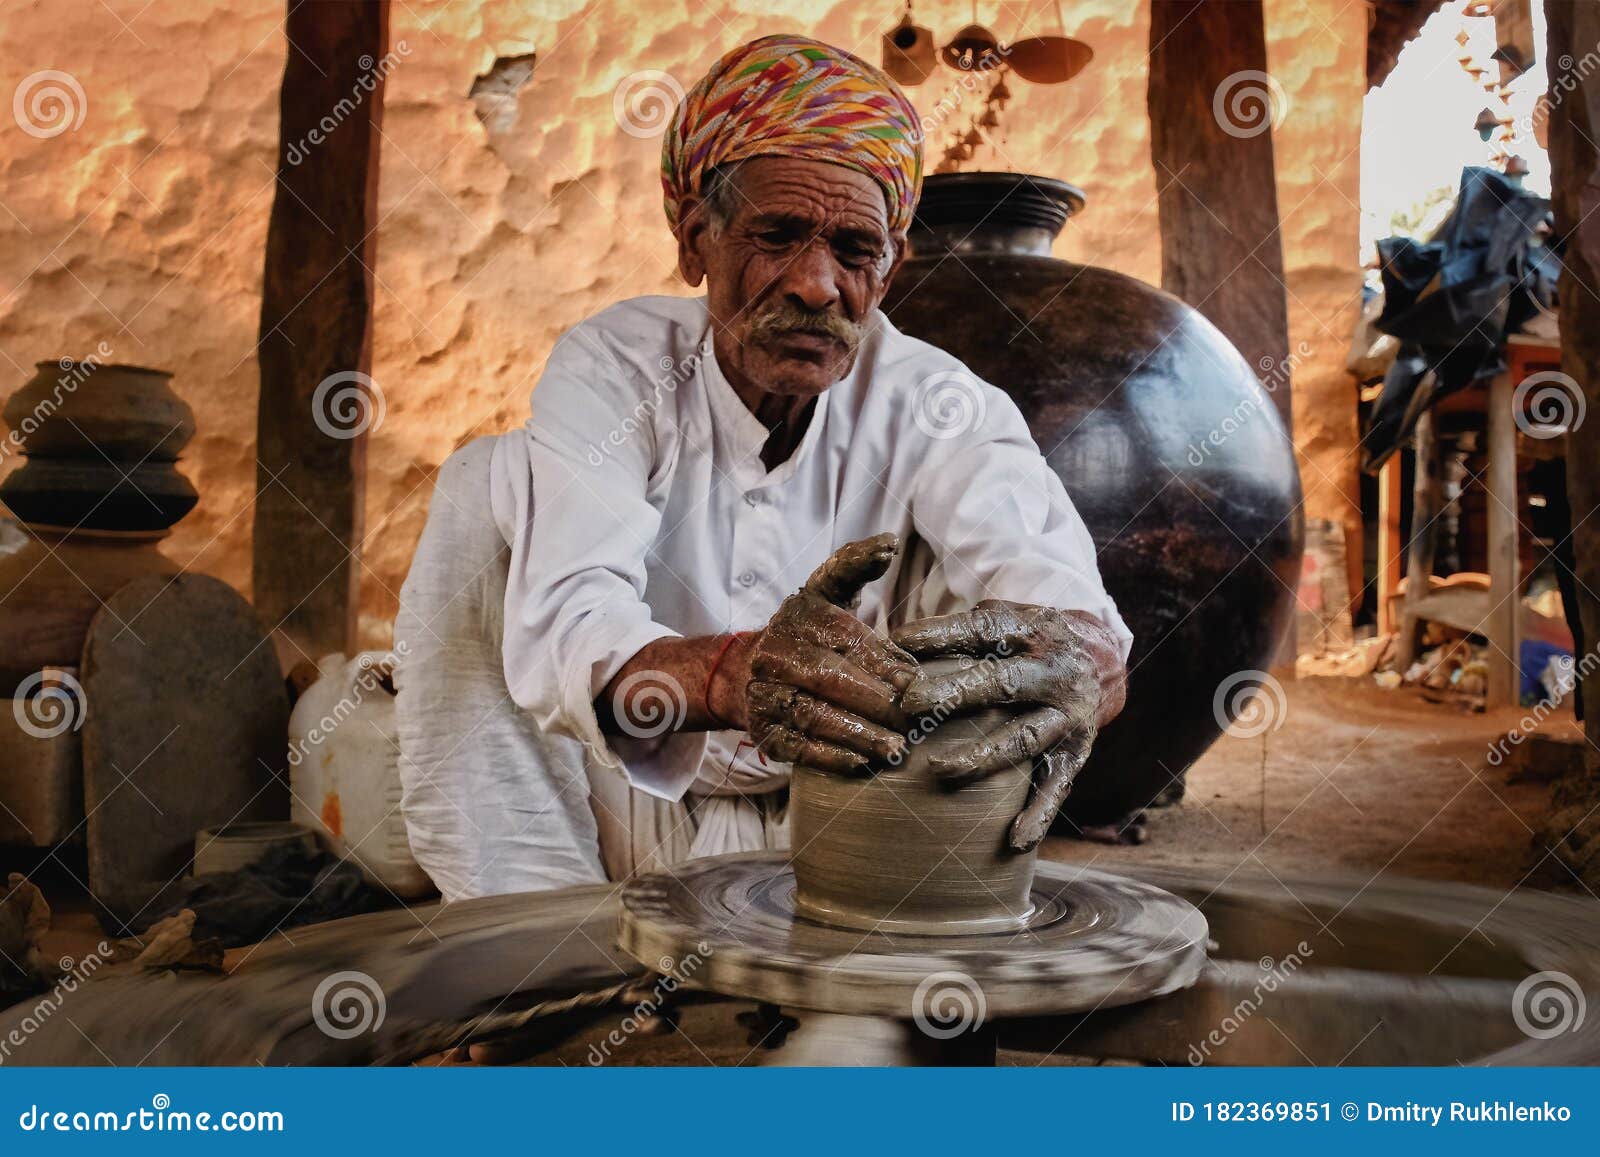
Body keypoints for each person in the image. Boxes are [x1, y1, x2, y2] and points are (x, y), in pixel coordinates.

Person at [394, 34, 1130, 902]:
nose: (817, 284)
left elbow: (1077, 616)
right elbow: (569, 616)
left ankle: (896, 953)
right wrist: (731, 674)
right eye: (778, 236)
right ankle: (534, 961)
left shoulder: (937, 402)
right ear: (694, 239)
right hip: (626, 818)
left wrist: (1072, 657)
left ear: (888, 270)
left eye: (855, 250)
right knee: (483, 486)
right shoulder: (616, 370)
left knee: (999, 620)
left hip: (850, 822)